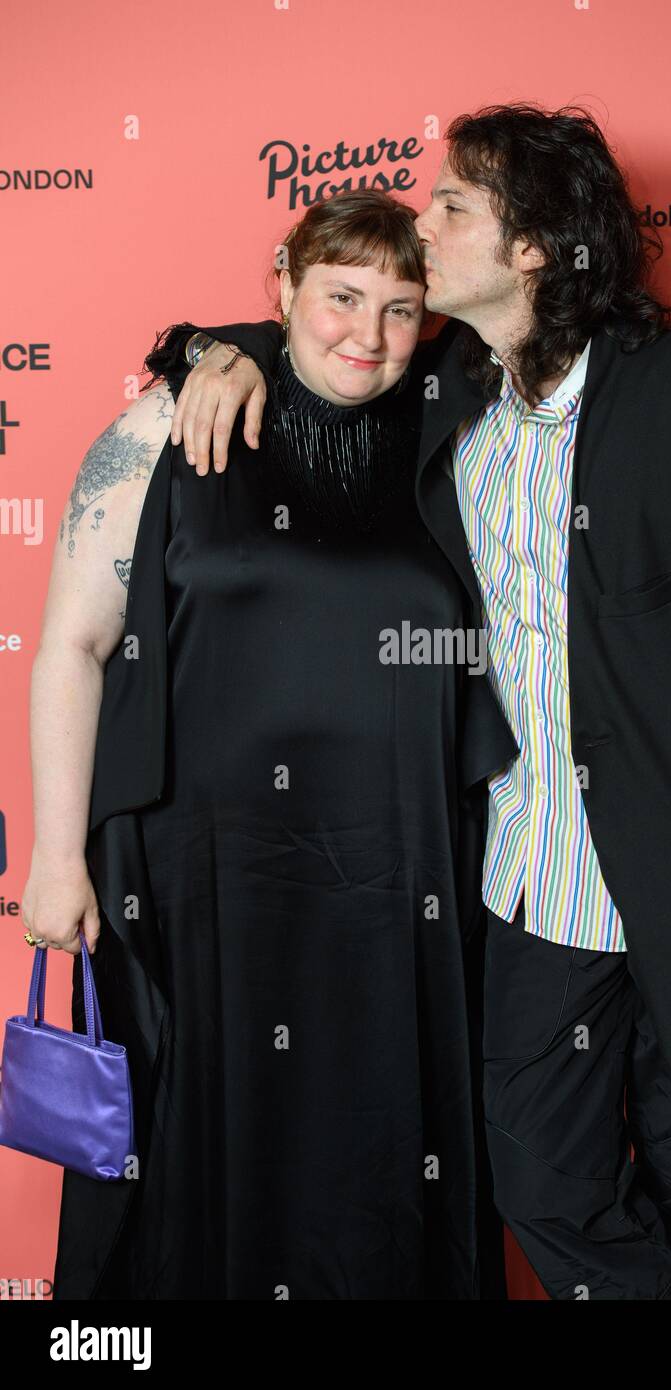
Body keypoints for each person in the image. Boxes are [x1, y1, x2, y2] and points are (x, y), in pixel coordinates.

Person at [156, 102, 671, 1301]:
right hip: (531, 885)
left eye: (449, 207)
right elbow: (304, 331)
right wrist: (202, 352)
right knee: (538, 1183)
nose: (417, 226)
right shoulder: (444, 390)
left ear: (531, 244)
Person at [23, 188, 519, 1300]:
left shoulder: (450, 431)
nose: (367, 334)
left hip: (399, 879)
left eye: (400, 308)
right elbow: (72, 648)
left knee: (377, 1143)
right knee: (191, 1139)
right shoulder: (170, 421)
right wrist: (57, 856)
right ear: (280, 287)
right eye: (340, 297)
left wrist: (225, 344)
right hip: (196, 871)